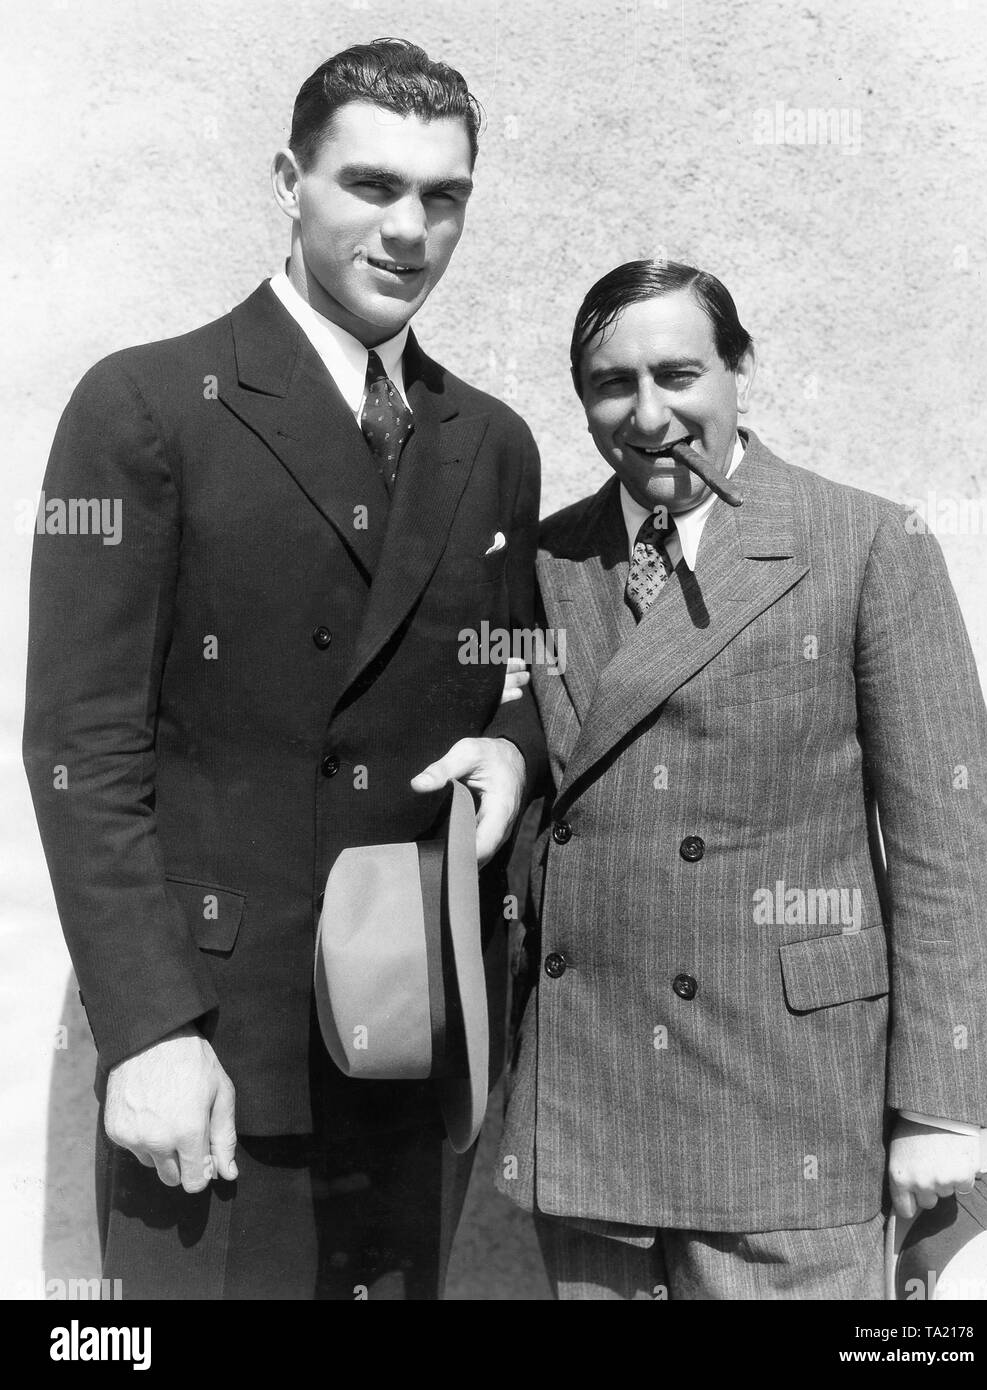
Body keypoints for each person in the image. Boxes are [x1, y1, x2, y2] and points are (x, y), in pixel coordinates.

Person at [23, 38, 544, 1300]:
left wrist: (516, 750)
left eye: (443, 197)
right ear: (287, 180)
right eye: (369, 186)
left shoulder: (492, 441)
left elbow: (526, 667)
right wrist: (148, 1030)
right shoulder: (148, 406)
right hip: (216, 1058)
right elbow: (81, 746)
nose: (408, 229)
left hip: (410, 1038)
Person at [496, 259, 987, 1300]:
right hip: (595, 1093)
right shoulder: (548, 562)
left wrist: (941, 1104)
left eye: (678, 373)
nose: (647, 414)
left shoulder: (862, 540)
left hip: (791, 1101)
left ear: (739, 372)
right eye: (609, 384)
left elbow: (943, 843)